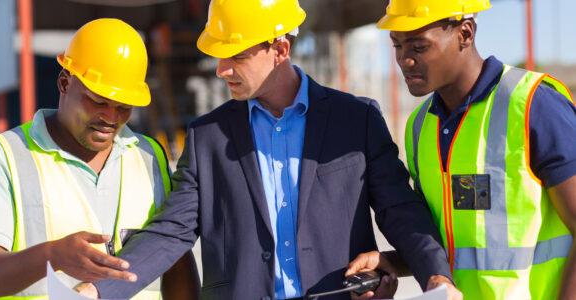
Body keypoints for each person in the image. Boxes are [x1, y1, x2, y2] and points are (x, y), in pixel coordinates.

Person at [80, 1, 461, 299]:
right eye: (220, 55)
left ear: (279, 49)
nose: (221, 69)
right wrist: (97, 290)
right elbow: (171, 233)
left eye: (237, 55)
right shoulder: (208, 136)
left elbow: (400, 211)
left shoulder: (356, 120)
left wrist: (436, 277)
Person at [347, 0, 576, 299]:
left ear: (465, 34)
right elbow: (460, 247)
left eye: (418, 46)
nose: (404, 59)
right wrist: (392, 262)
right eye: (397, 46)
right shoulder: (420, 126)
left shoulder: (534, 105)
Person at [0, 18, 199, 299]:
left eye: (123, 106)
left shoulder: (149, 157)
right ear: (64, 82)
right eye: (97, 100)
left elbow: (175, 261)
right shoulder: (4, 158)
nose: (111, 118)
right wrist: (52, 256)